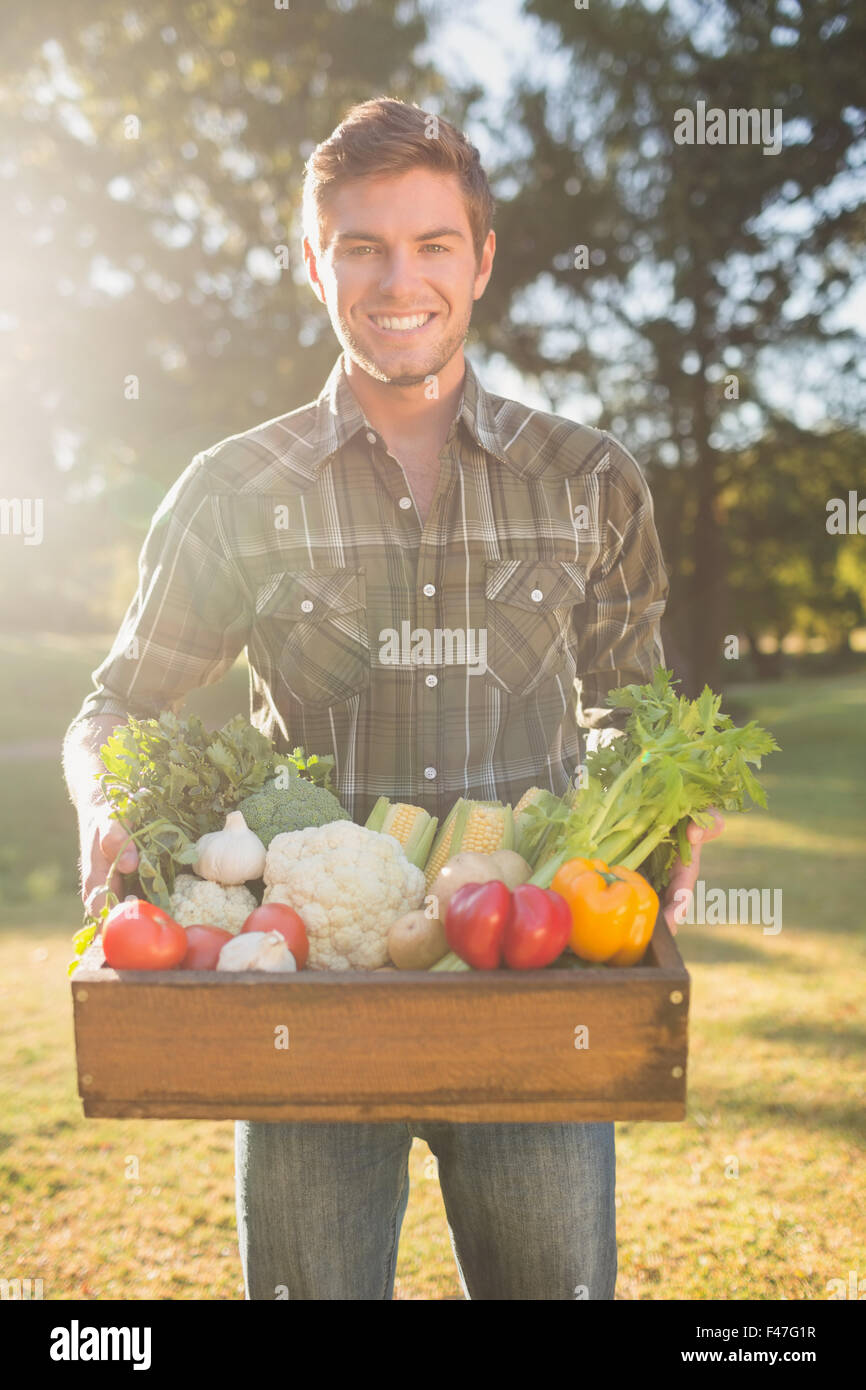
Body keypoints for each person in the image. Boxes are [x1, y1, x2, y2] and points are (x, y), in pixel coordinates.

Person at [62, 97, 723, 1300]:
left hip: (532, 989)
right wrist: (103, 799)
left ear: (480, 259)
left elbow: (634, 703)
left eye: (428, 244)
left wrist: (656, 811)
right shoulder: (233, 490)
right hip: (300, 1000)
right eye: (359, 245)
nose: (395, 278)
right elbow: (112, 707)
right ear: (315, 261)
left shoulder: (588, 480)